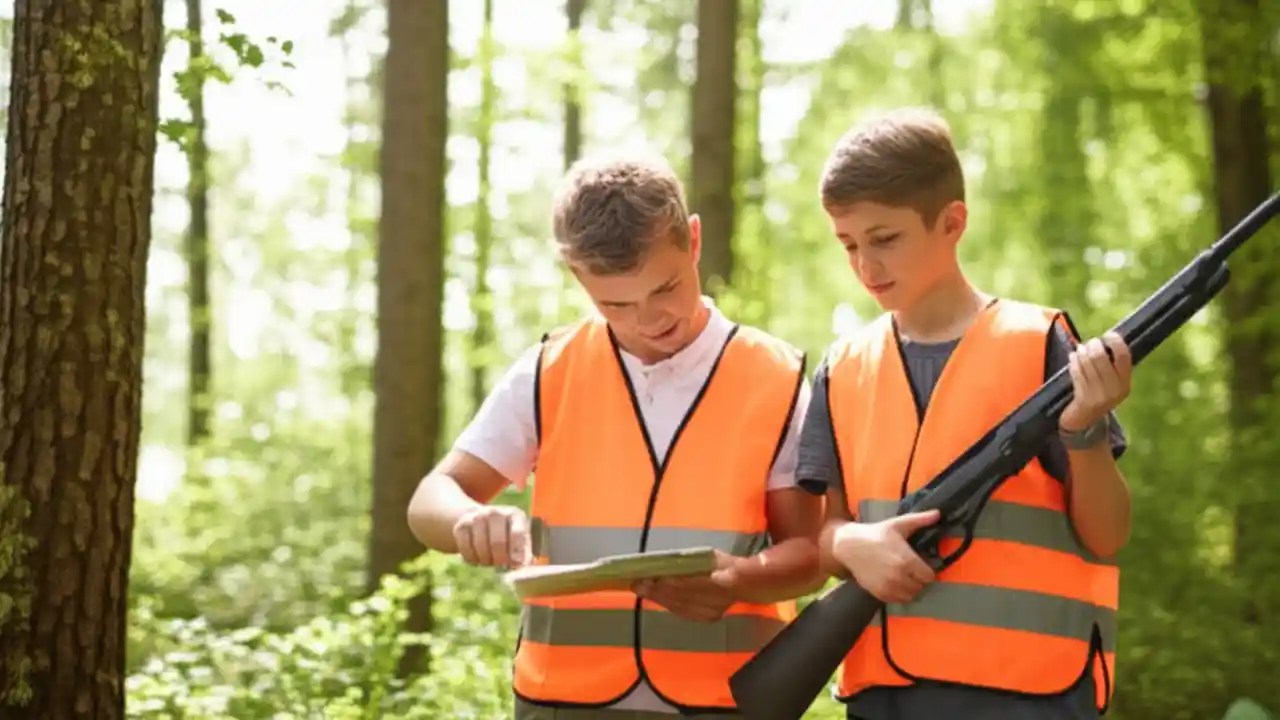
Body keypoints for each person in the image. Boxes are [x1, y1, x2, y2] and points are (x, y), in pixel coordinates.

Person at [407, 152, 826, 719]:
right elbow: (430, 498)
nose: (650, 318)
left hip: (725, 702)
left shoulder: (775, 378)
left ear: (694, 240)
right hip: (562, 702)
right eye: (617, 305)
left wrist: (740, 581)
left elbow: (809, 555)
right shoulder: (549, 372)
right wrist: (466, 520)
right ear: (579, 278)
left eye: (666, 287)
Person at [798, 107, 1131, 720]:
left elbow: (1108, 535)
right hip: (889, 696)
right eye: (848, 244)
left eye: (885, 239)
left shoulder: (1042, 344)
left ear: (952, 222)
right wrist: (850, 542)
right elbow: (820, 537)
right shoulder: (842, 368)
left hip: (1036, 691)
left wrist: (1084, 434)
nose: (865, 266)